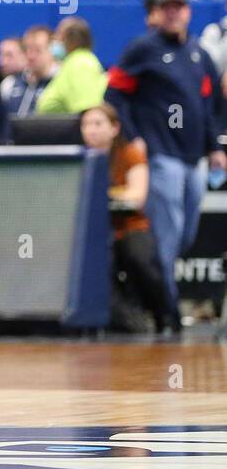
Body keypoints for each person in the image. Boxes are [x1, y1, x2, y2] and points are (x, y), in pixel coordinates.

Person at [104, 0, 227, 330]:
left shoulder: (198, 54)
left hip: (194, 160)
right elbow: (114, 95)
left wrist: (215, 147)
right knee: (166, 235)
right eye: (167, 7)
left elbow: (208, 106)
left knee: (184, 234)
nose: (173, 12)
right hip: (161, 157)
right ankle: (168, 314)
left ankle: (157, 303)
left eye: (179, 6)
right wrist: (135, 138)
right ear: (157, 13)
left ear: (188, 11)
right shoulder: (142, 49)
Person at [81, 102, 177, 333]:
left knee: (140, 257)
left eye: (98, 123)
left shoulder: (129, 154)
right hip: (91, 232)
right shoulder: (78, 158)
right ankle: (126, 321)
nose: (91, 130)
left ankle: (166, 316)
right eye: (86, 125)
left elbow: (136, 196)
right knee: (98, 265)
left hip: (129, 225)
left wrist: (105, 195)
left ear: (114, 128)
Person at [37, 17, 107, 114]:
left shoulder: (81, 64)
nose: (54, 40)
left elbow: (88, 110)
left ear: (72, 39)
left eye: (58, 34)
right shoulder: (70, 63)